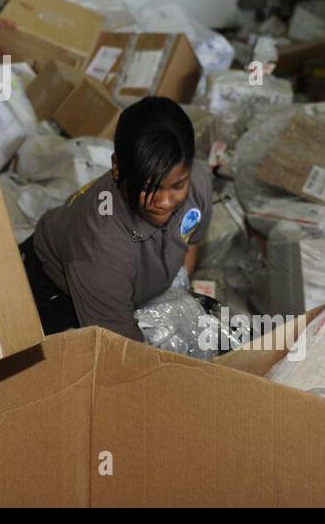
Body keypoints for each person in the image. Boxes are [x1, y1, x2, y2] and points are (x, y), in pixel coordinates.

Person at [18, 97, 213, 342]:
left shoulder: (197, 183)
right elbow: (122, 352)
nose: (164, 202)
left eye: (177, 186)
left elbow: (192, 240)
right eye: (149, 188)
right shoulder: (99, 244)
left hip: (124, 292)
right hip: (56, 298)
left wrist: (175, 290)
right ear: (117, 168)